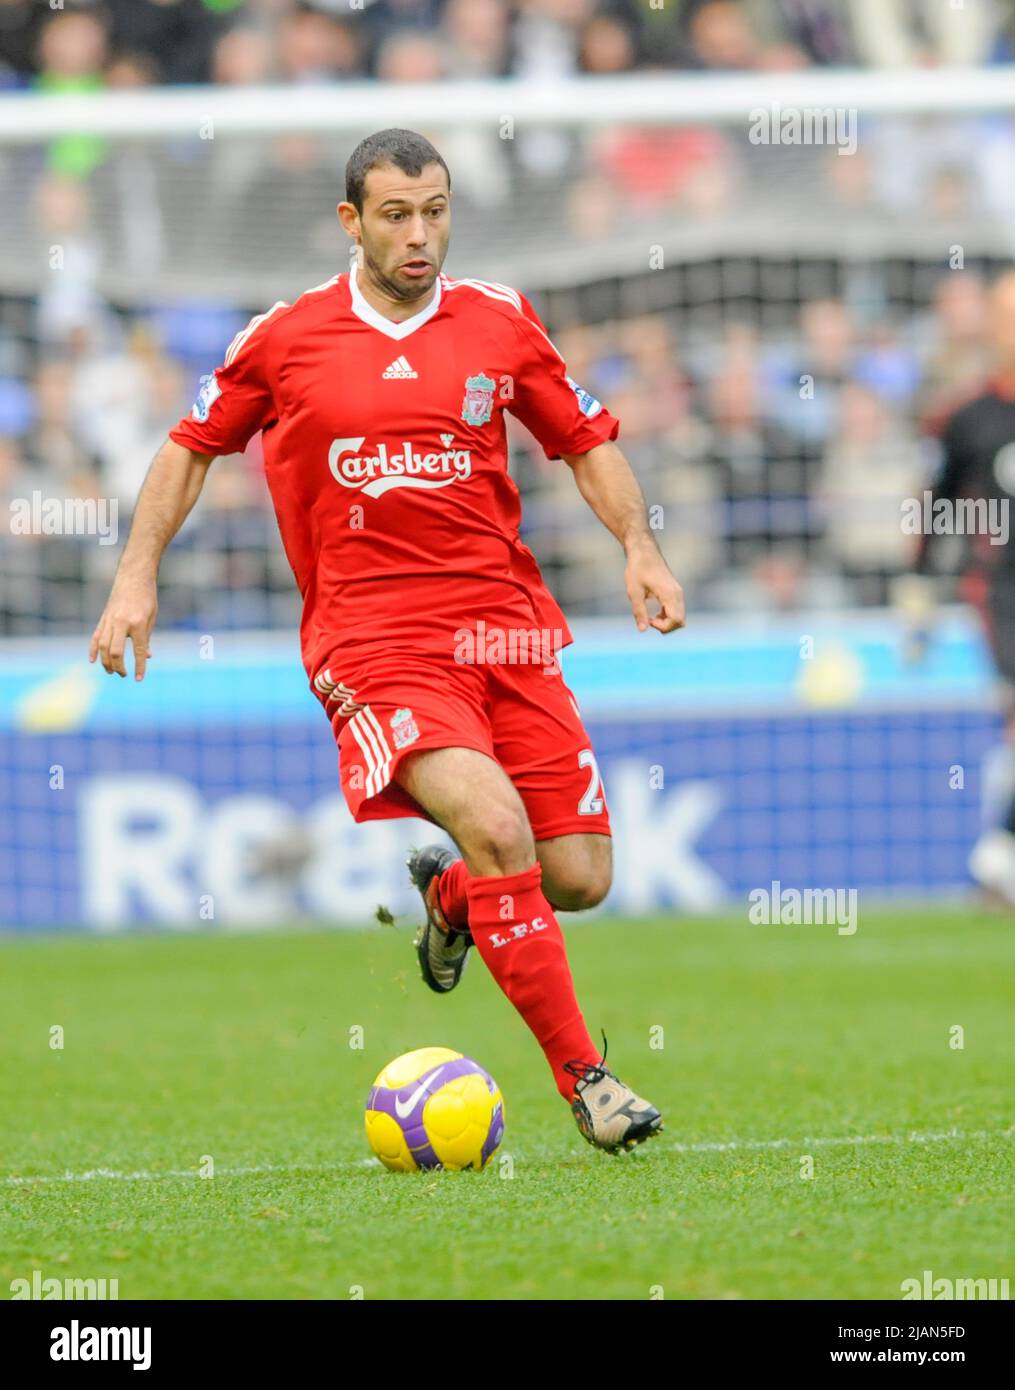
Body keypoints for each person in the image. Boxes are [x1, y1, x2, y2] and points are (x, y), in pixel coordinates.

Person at [90, 128, 685, 1153]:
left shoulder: (500, 322)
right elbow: (189, 448)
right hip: (375, 642)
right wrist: (135, 573)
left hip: (507, 633)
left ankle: (451, 900)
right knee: (496, 823)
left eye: (436, 211)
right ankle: (587, 1079)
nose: (420, 235)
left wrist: (640, 546)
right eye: (398, 215)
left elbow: (583, 440)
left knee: (579, 875)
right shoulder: (286, 338)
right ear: (352, 220)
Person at [912, 270, 1015, 902]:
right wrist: (919, 588)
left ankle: (997, 853)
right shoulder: (971, 418)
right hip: (1004, 594)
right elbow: (938, 506)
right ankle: (998, 850)